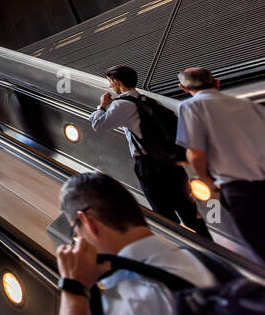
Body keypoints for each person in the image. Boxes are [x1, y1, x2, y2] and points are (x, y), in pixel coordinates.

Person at [46, 172, 215, 315]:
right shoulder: (198, 260)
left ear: (88, 223)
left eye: (75, 233)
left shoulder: (135, 300)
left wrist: (72, 288)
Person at [89, 65, 210, 237]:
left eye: (110, 82)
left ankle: (184, 251)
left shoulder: (122, 104)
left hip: (149, 166)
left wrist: (102, 106)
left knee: (164, 214)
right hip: (171, 162)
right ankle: (211, 249)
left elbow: (98, 125)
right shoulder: (149, 101)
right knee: (187, 208)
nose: (110, 86)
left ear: (116, 81)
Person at [176, 66, 265, 261]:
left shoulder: (190, 107)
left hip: (239, 189)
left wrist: (207, 181)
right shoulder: (249, 106)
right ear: (217, 83)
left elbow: (195, 154)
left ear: (183, 88)